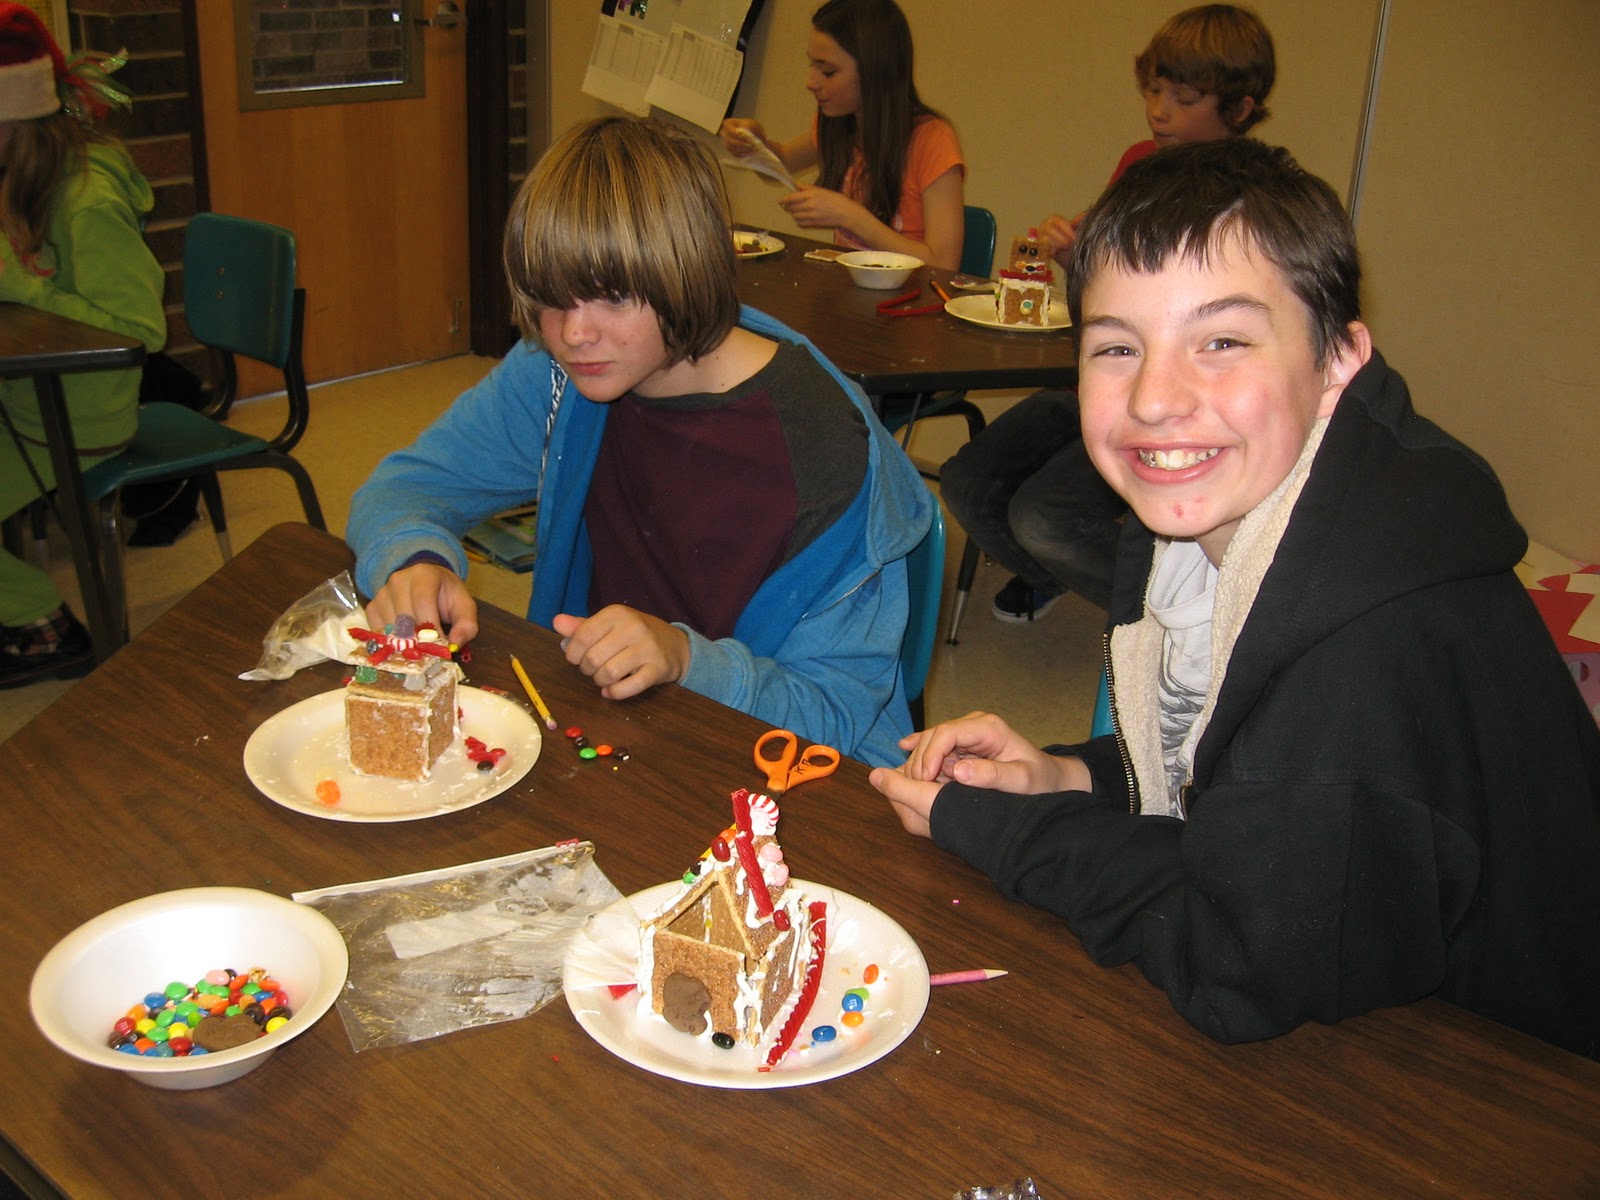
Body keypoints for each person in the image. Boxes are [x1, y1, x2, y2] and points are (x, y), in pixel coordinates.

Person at [869, 138, 1600, 1058]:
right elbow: (1243, 752)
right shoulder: (1210, 517)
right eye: (1117, 347)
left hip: (1515, 1076)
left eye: (1221, 340)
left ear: (1339, 360)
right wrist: (1084, 776)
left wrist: (1014, 830)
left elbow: (1238, 963)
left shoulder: (1361, 637)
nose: (1157, 398)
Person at [347, 116, 933, 769]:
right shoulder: (555, 373)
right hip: (612, 734)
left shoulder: (825, 451)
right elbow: (402, 488)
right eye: (550, 298)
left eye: (612, 297)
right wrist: (412, 560)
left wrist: (686, 660)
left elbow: (831, 717)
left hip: (786, 766)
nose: (573, 334)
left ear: (688, 273)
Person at [940, 4, 1274, 622]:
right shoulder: (1137, 163)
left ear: (1240, 109)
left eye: (1183, 97)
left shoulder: (1244, 199)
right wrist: (1077, 259)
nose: (1160, 110)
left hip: (1163, 404)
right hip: (1096, 386)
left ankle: (1190, 617)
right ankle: (1061, 575)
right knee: (967, 482)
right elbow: (1111, 298)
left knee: (1044, 516)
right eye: (1153, 90)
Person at [0, 5, 164, 689]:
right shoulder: (25, 177)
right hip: (29, 401)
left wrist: (23, 283)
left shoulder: (87, 201)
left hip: (78, 418)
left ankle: (51, 630)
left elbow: (139, 332)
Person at [719, 0, 965, 271]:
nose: (811, 82)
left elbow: (944, 264)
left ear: (874, 71)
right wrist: (755, 146)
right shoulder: (839, 125)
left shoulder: (932, 139)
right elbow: (782, 164)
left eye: (828, 71)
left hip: (911, 301)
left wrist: (850, 216)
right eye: (812, 65)